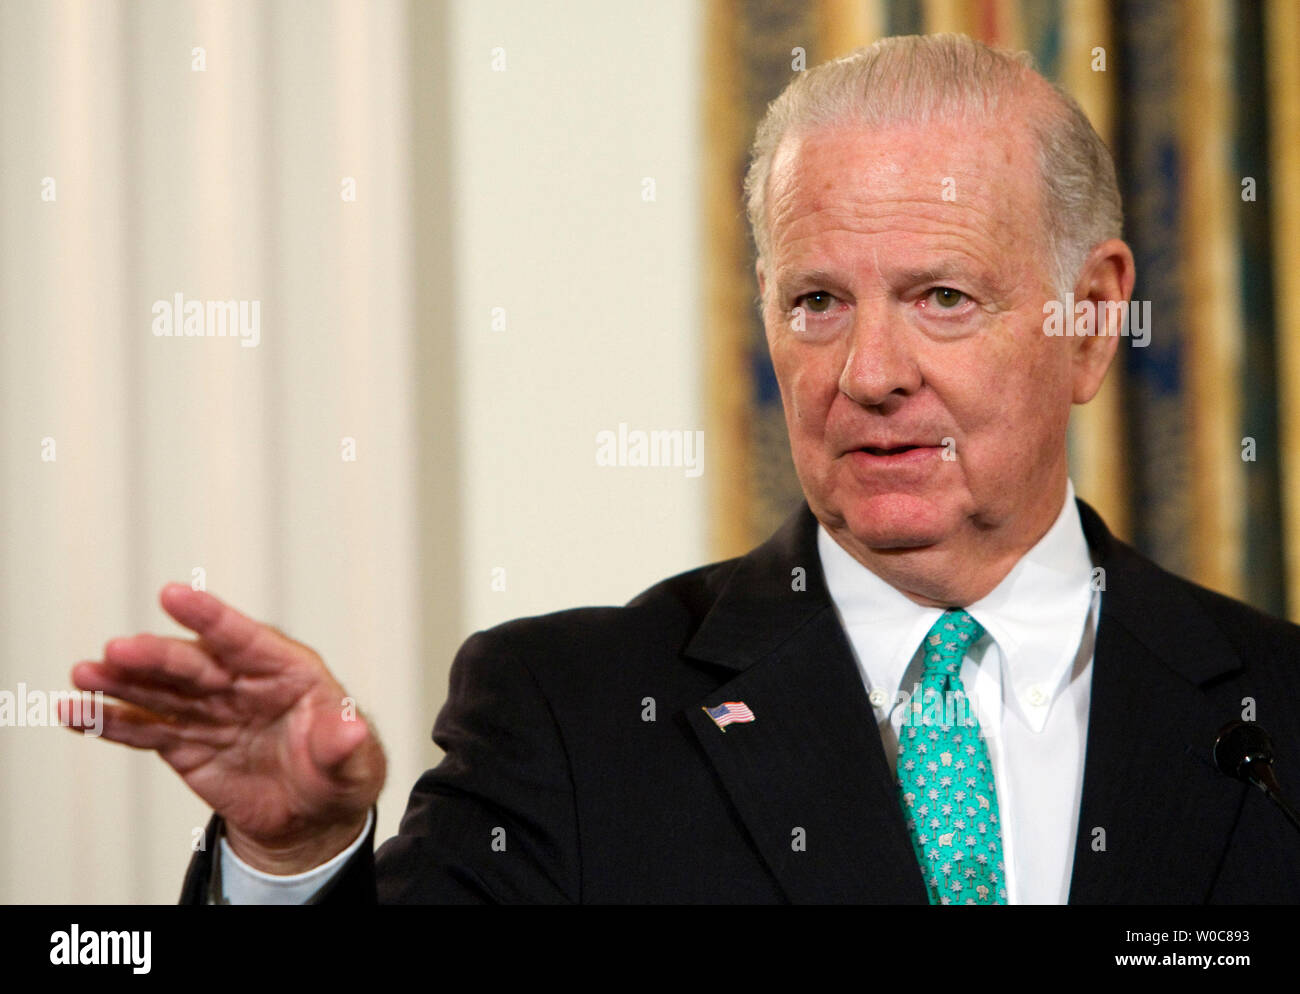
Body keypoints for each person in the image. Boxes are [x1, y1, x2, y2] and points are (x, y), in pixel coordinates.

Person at [69, 33, 1300, 904]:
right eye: (816, 300)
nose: (868, 371)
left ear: (1088, 320)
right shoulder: (568, 715)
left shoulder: (1277, 713)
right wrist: (296, 863)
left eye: (940, 297)